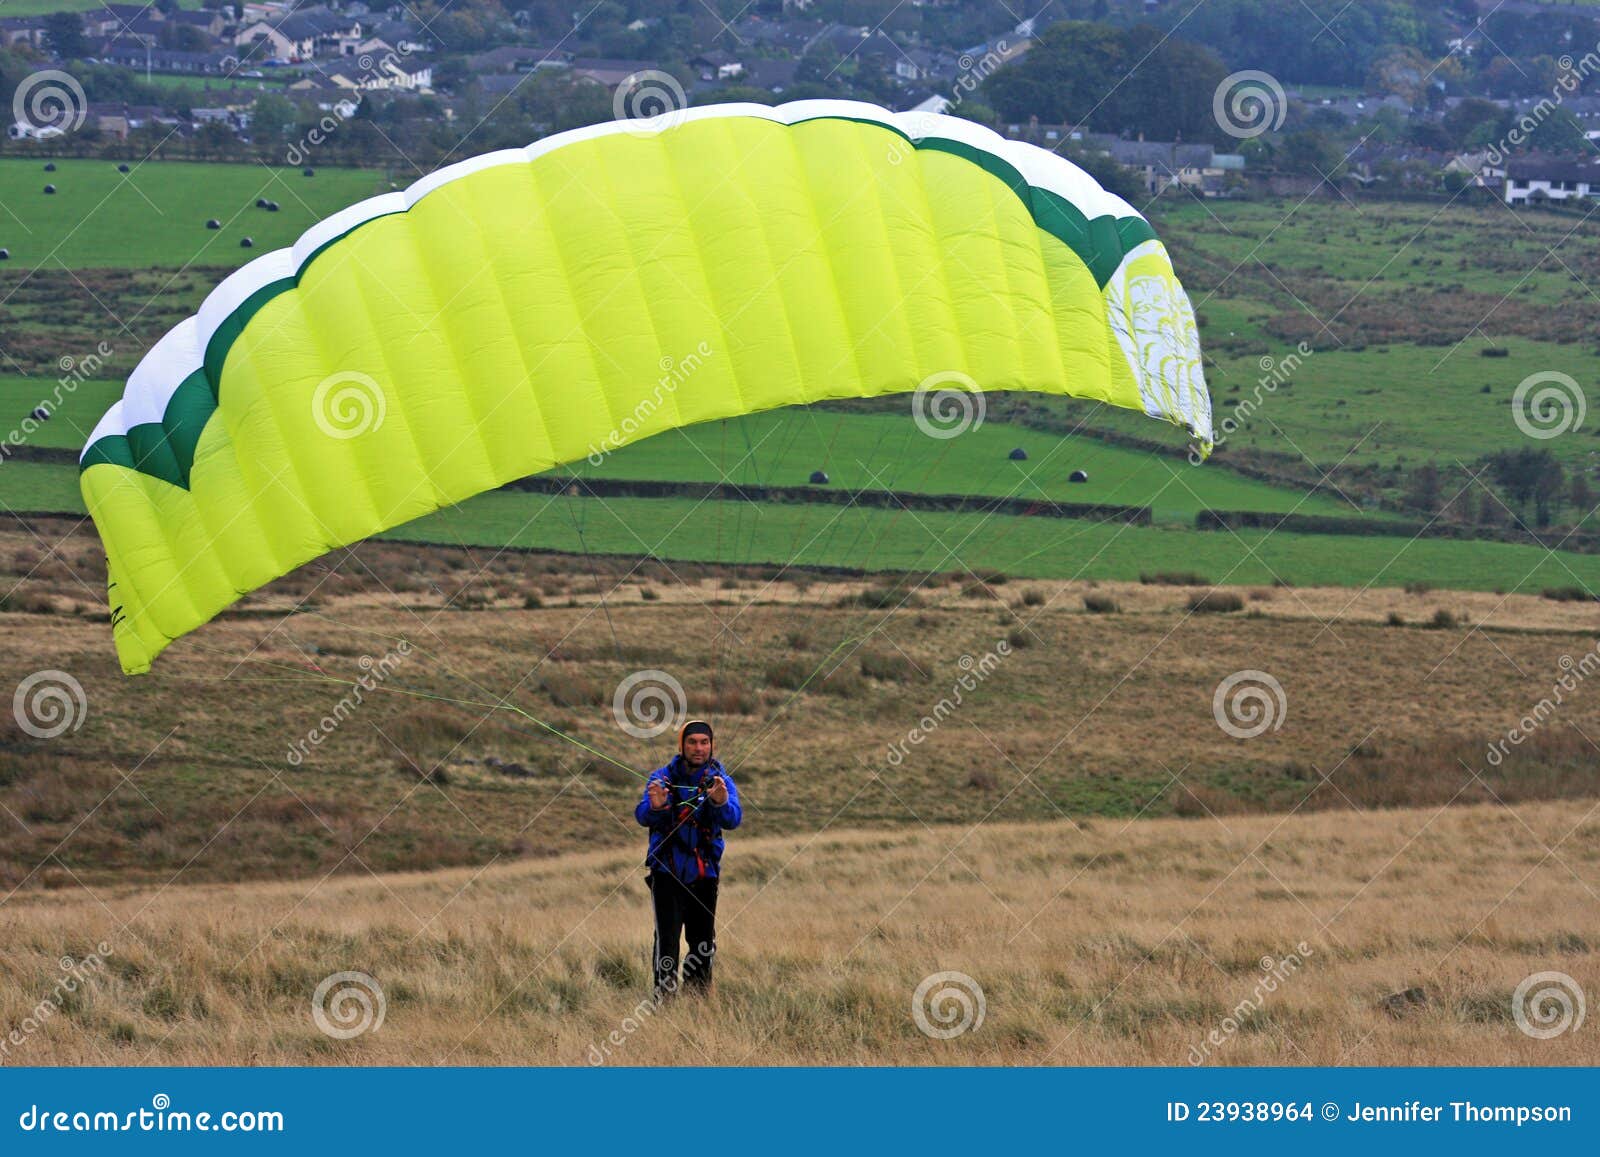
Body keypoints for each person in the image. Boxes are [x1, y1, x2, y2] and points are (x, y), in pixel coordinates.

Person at [635, 719, 741, 997]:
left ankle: (698, 1000)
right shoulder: (661, 778)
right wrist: (656, 807)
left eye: (704, 742)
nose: (699, 748)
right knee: (667, 942)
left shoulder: (721, 781)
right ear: (681, 746)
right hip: (666, 873)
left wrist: (720, 801)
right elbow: (642, 815)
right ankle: (664, 1001)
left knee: (702, 942)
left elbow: (733, 819)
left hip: (705, 874)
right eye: (692, 742)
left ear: (711, 745)